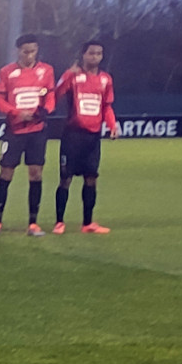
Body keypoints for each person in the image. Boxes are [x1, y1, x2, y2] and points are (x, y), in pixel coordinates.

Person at [0, 34, 56, 237]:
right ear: (18, 51)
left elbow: (50, 96)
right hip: (14, 130)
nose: (29, 55)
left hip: (37, 131)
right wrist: (17, 113)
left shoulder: (46, 70)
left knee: (36, 173)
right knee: (6, 173)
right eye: (25, 51)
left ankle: (33, 223)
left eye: (33, 51)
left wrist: (45, 110)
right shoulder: (6, 72)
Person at [54, 40, 117, 234]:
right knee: (66, 178)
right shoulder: (73, 76)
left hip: (92, 137)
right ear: (83, 55)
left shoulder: (106, 79)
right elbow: (56, 94)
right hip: (72, 135)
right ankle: (59, 222)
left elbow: (106, 106)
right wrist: (68, 74)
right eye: (91, 53)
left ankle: (88, 223)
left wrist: (112, 125)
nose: (95, 57)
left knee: (91, 178)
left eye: (99, 53)